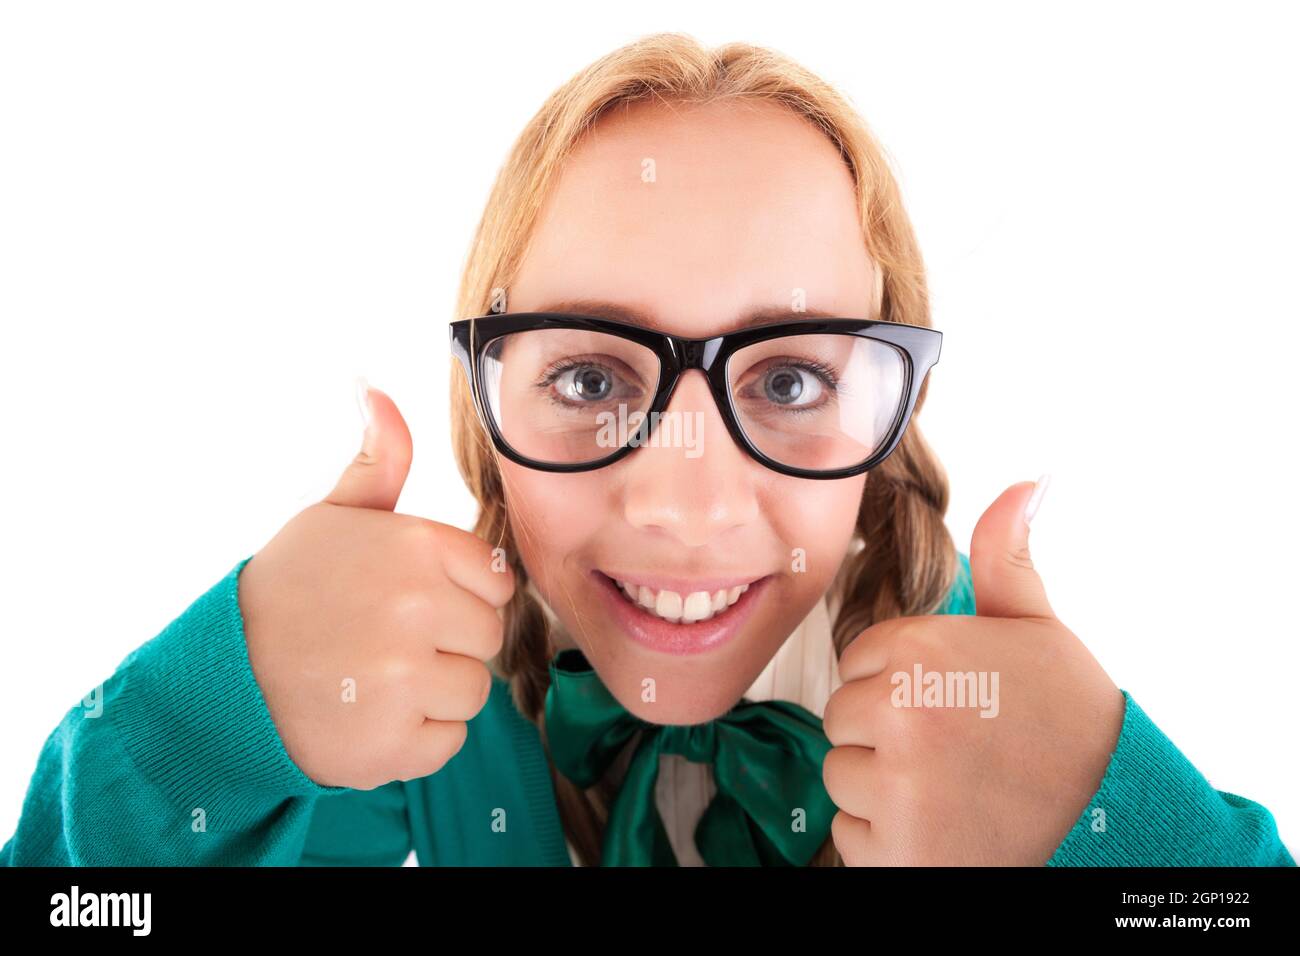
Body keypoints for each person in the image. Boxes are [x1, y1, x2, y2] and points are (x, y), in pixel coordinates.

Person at [2, 32, 1291, 867]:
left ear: (890, 415)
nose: (684, 503)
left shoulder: (1007, 730)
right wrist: (208, 713)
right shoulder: (391, 702)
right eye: (588, 375)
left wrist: (1116, 844)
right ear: (482, 401)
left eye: (789, 376)